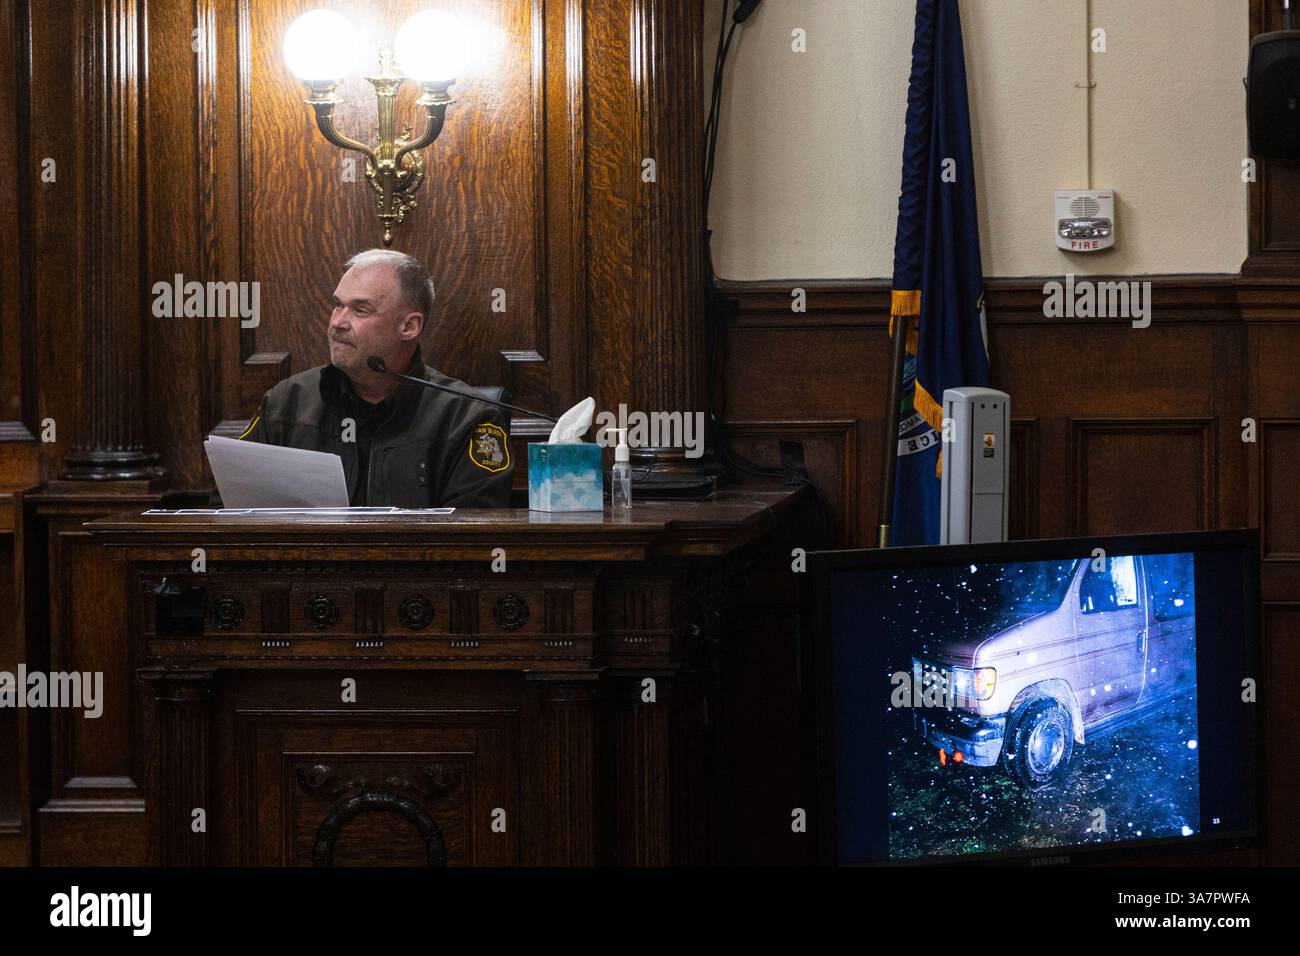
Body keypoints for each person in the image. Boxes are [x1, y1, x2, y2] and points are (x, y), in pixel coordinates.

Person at [239, 249, 513, 508]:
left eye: (360, 309)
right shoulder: (286, 402)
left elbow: (476, 538)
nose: (338, 322)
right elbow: (230, 507)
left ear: (409, 326)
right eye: (338, 305)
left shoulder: (467, 418)